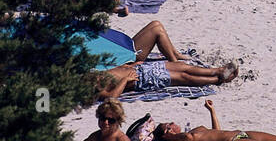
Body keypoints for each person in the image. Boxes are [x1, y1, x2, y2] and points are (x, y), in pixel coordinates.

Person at [97, 54, 239, 99]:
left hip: (139, 68)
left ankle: (218, 71)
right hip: (142, 80)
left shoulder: (89, 73)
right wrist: (125, 80)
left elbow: (114, 70)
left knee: (184, 67)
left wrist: (129, 66)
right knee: (184, 77)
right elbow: (111, 97)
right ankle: (217, 80)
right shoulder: (90, 87)